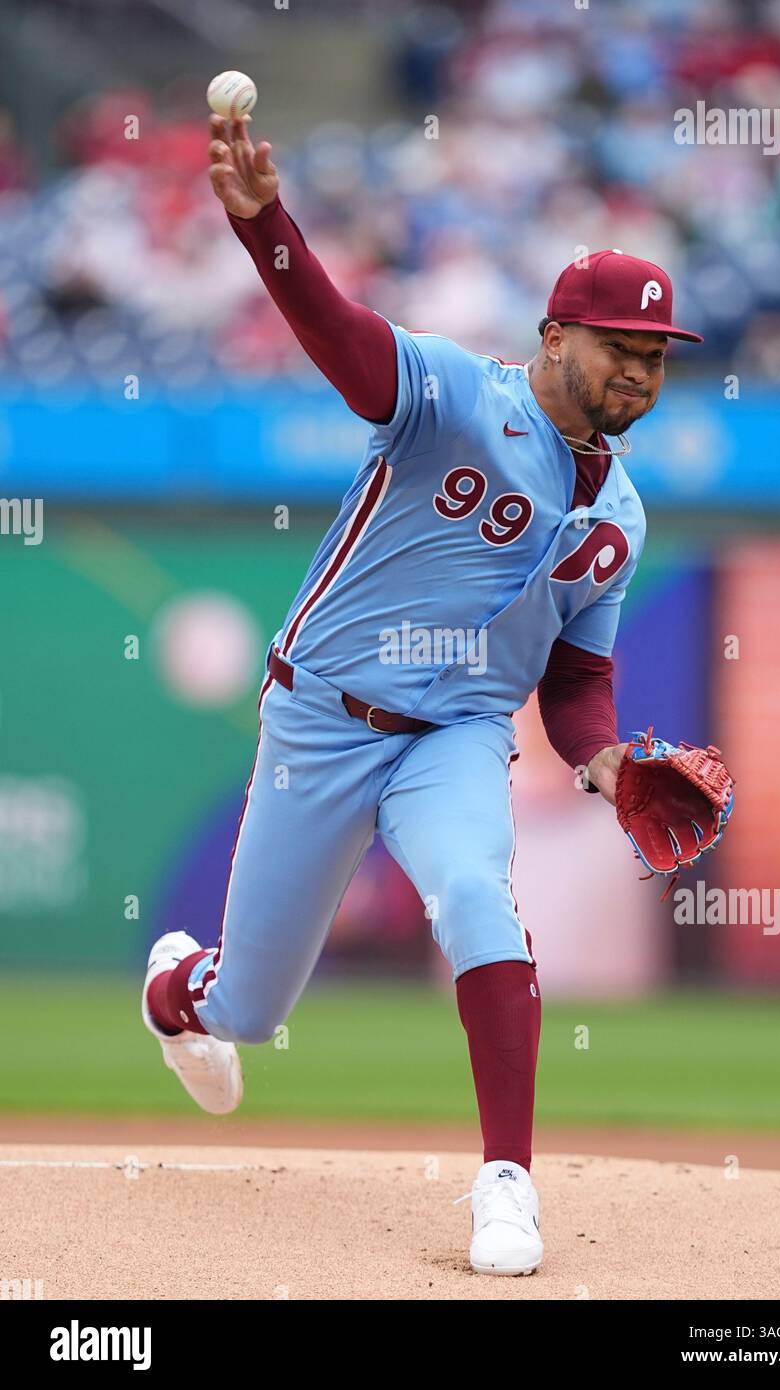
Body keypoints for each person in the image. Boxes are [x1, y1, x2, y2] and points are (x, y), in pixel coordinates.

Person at [141, 113, 703, 1277]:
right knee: (247, 1004)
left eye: (653, 356)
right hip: (320, 717)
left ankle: (506, 1183)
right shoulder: (451, 393)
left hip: (454, 736)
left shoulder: (622, 520)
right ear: (551, 334)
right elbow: (341, 341)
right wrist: (264, 225)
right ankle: (173, 988)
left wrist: (602, 764)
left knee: (475, 897)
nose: (638, 374)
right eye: (617, 347)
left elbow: (575, 684)